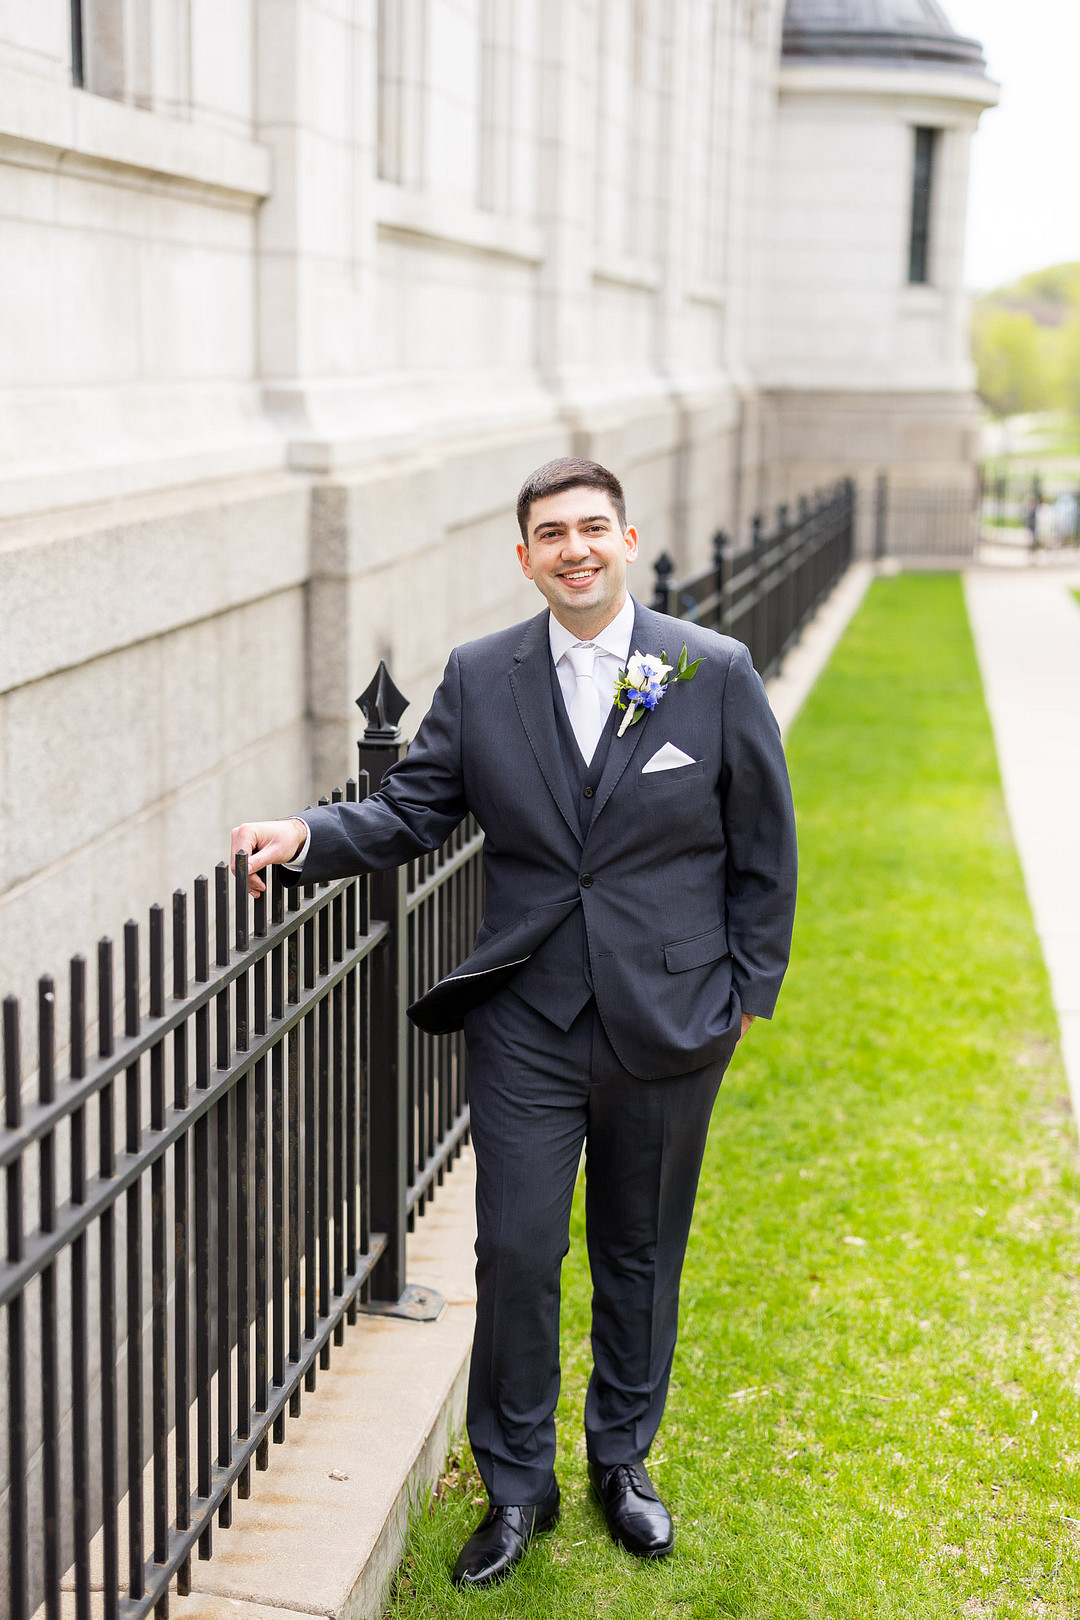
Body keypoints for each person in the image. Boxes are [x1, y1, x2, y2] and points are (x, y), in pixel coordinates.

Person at [230, 458, 798, 1589]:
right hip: (530, 1018)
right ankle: (517, 1488)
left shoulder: (709, 670)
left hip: (670, 1017)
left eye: (594, 528)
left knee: (640, 1249)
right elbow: (414, 805)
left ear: (629, 540)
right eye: (553, 533)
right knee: (519, 1247)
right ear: (525, 555)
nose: (576, 549)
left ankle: (622, 1462)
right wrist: (308, 836)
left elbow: (763, 849)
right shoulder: (485, 677)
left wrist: (743, 992)